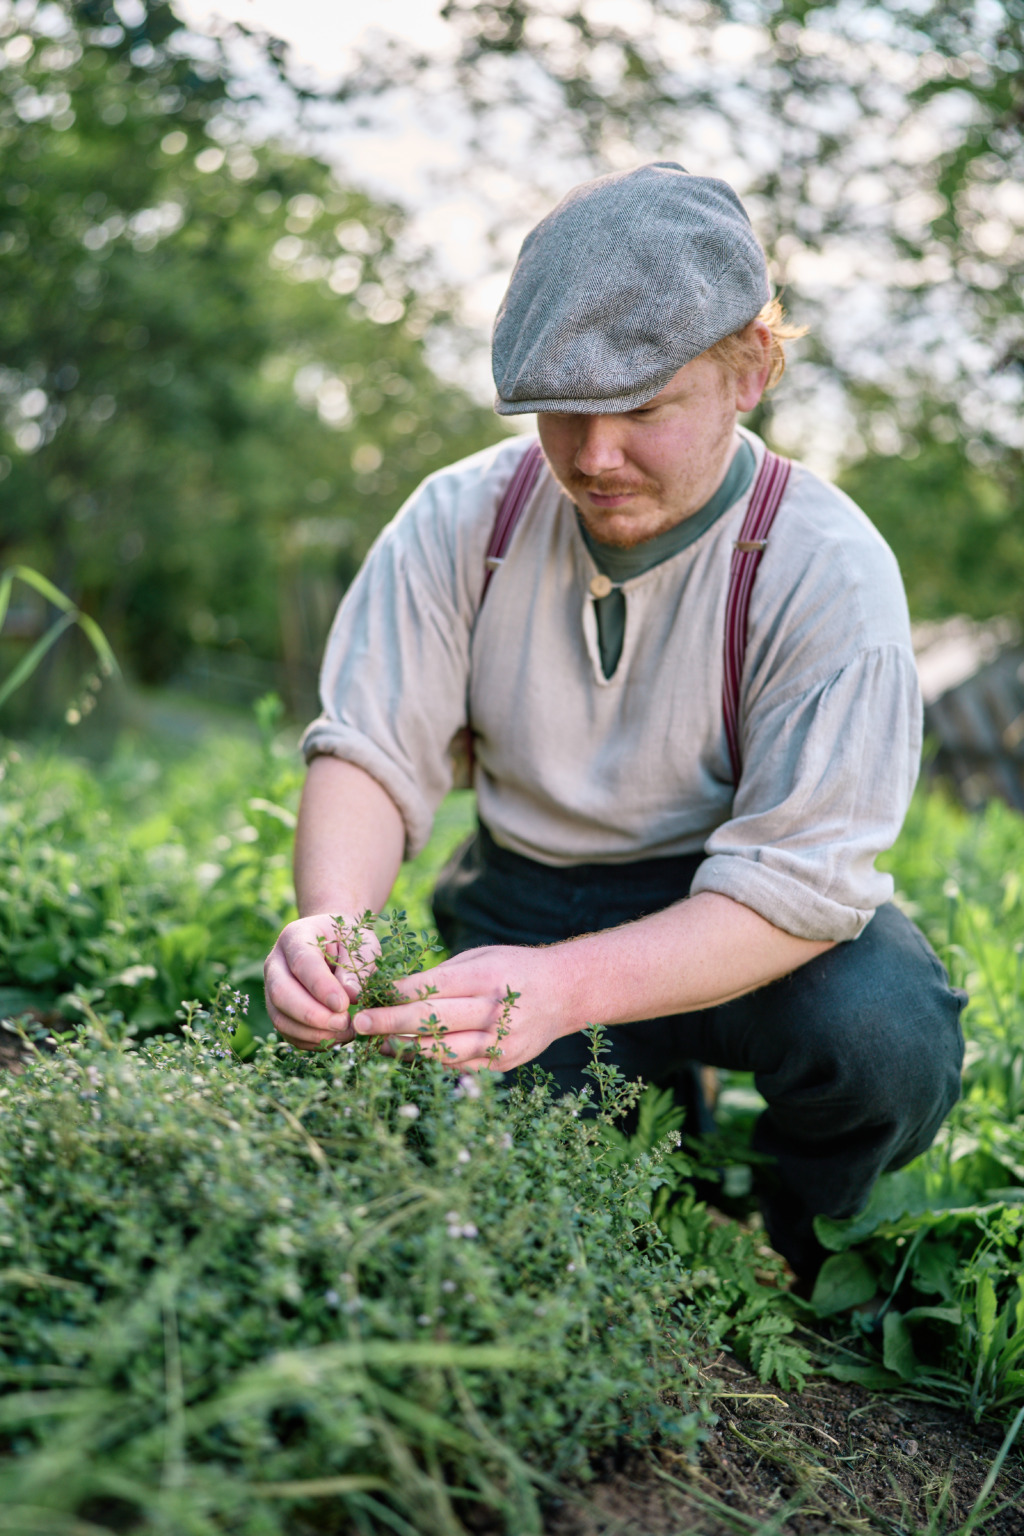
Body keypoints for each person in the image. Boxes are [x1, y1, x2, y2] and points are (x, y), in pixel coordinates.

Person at [264, 163, 965, 1280]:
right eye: (563, 409)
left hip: (736, 918)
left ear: (750, 372)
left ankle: (805, 1239)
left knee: (879, 1033)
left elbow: (800, 882)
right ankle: (648, 1107)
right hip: (523, 897)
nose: (593, 457)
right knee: (543, 1208)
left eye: (640, 409)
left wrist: (566, 990)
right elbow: (371, 746)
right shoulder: (459, 520)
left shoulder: (826, 573)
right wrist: (332, 921)